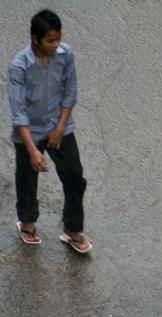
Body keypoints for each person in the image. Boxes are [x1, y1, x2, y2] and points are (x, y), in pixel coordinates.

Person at [7, 9, 92, 253]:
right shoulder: (19, 67)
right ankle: (28, 223)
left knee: (75, 176)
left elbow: (70, 92)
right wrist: (33, 151)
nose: (56, 45)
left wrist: (60, 127)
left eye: (58, 39)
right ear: (35, 39)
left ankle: (73, 230)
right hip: (28, 132)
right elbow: (18, 112)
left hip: (59, 126)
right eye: (50, 41)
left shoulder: (65, 55)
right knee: (27, 179)